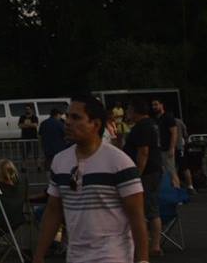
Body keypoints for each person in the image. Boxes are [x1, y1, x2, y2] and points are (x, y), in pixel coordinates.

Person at [34, 96, 147, 263]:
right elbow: (53, 210)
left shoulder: (119, 162)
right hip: (75, 255)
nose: (68, 122)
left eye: (76, 117)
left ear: (95, 124)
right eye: (67, 116)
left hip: (113, 255)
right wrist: (39, 255)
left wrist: (142, 260)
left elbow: (136, 215)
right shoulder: (60, 161)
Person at [123, 105, 164, 257]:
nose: (126, 113)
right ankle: (152, 244)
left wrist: (137, 174)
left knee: (148, 208)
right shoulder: (152, 124)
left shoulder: (143, 126)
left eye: (128, 110)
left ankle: (153, 246)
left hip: (146, 173)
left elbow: (143, 151)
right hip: (153, 170)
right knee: (149, 207)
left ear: (134, 110)